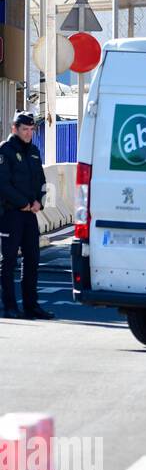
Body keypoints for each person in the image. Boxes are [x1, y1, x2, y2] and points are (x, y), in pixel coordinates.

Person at [1, 111, 55, 320]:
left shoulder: (33, 151)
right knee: (9, 261)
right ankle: (9, 307)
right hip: (11, 214)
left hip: (30, 215)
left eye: (31, 130)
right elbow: (3, 184)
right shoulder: (5, 151)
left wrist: (39, 201)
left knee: (32, 259)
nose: (28, 133)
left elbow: (42, 180)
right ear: (14, 129)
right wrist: (23, 203)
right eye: (25, 129)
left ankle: (31, 306)